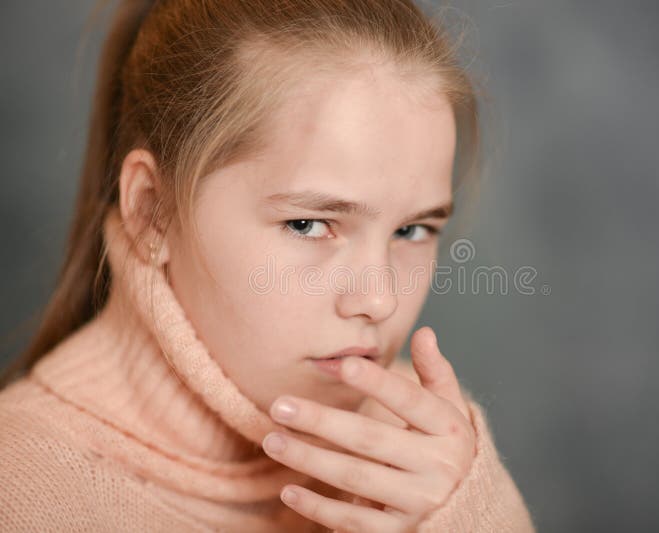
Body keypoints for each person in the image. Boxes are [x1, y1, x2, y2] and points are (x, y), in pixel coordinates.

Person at [0, 1, 535, 531]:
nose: (380, 300)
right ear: (152, 213)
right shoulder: (22, 490)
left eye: (412, 230)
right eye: (308, 224)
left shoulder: (432, 461)